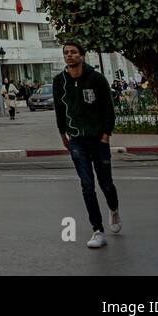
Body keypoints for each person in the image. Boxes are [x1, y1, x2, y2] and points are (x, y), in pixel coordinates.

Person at [53, 42, 119, 249]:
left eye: (73, 52)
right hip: (77, 140)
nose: (69, 55)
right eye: (66, 53)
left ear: (82, 55)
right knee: (87, 185)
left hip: (98, 138)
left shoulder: (96, 79)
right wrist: (62, 133)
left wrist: (106, 134)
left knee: (105, 183)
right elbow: (59, 108)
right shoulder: (59, 81)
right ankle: (97, 230)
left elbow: (108, 107)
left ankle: (114, 209)